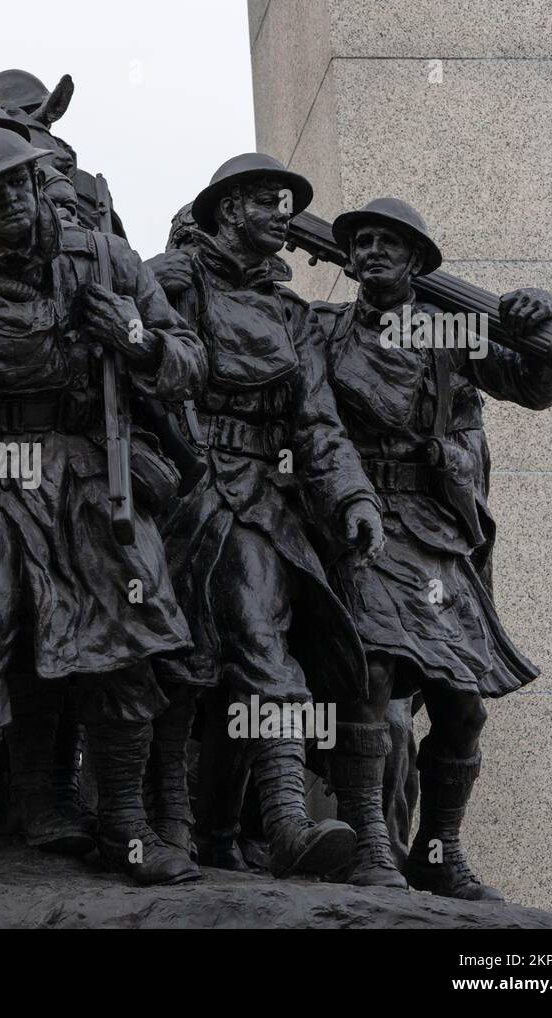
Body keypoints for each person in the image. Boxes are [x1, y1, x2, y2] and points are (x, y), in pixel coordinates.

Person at [0, 127, 207, 901]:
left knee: (130, 636)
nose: (14, 204)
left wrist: (133, 335)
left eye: (24, 186)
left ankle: (126, 826)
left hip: (88, 468)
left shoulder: (104, 257)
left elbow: (189, 362)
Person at [312, 197, 552, 898]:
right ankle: (369, 838)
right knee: (367, 679)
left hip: (438, 533)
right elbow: (313, 426)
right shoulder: (326, 332)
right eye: (360, 243)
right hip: (362, 524)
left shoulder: (452, 330)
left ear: (418, 261)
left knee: (463, 704)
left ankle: (438, 847)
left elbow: (533, 385)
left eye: (387, 244)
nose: (370, 253)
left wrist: (545, 319)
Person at [148, 153, 384, 879]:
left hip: (260, 498)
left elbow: (317, 423)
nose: (283, 212)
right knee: (209, 661)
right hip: (186, 489)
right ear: (226, 211)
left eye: (285, 200)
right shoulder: (177, 281)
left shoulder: (292, 315)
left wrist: (353, 495)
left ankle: (252, 828)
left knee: (256, 652)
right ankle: (242, 829)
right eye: (264, 200)